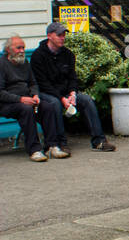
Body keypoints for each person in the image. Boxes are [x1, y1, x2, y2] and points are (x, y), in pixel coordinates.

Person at [30, 22, 116, 152]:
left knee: (86, 100)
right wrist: (61, 98)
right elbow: (42, 83)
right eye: (59, 35)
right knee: (54, 104)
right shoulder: (38, 56)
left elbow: (72, 78)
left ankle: (99, 141)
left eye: (64, 34)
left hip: (65, 93)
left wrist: (72, 93)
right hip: (46, 93)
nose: (62, 37)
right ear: (49, 36)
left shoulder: (68, 54)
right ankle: (61, 143)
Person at [0, 34, 68, 161]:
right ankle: (35, 150)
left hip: (27, 99)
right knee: (25, 109)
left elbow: (33, 83)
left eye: (23, 48)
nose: (22, 51)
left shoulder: (24, 62)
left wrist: (35, 95)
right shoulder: (2, 64)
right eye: (18, 48)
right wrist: (20, 99)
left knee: (48, 107)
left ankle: (52, 146)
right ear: (8, 49)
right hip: (7, 103)